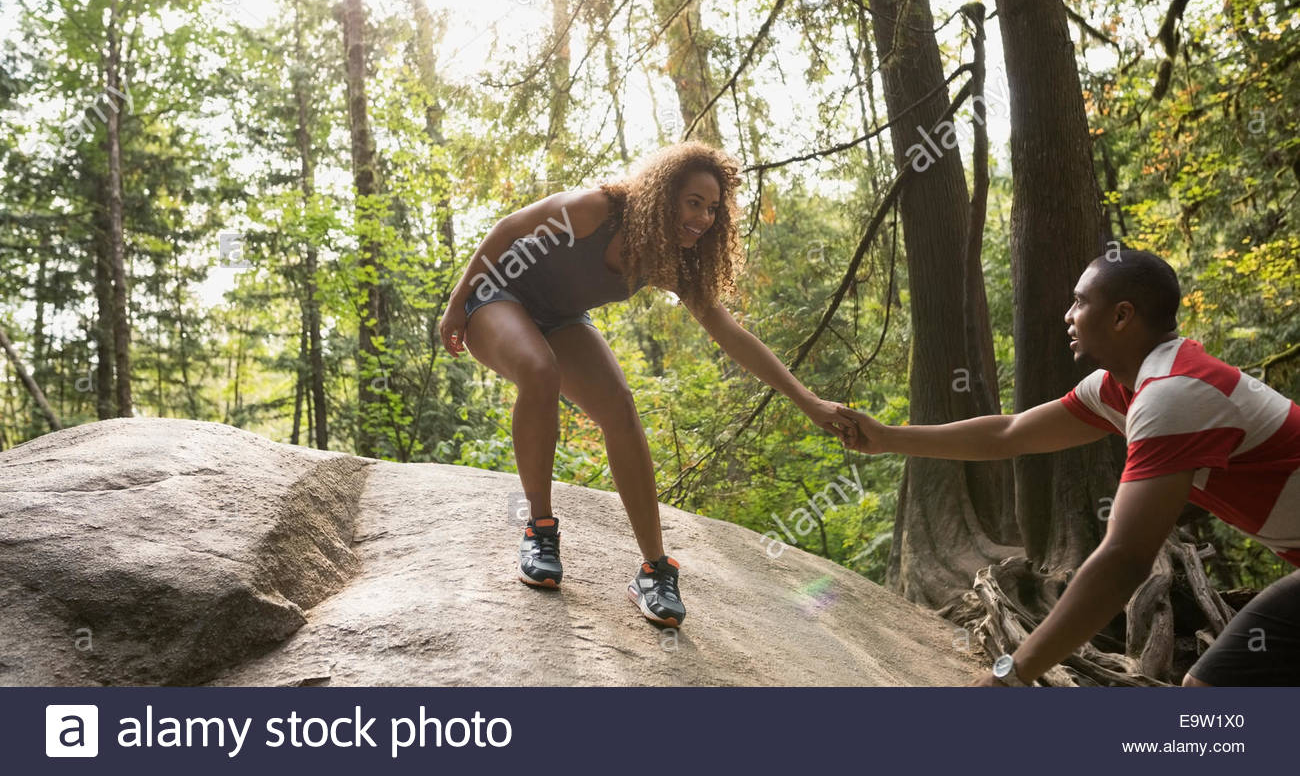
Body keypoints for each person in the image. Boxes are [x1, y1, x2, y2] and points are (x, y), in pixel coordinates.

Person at [438, 141, 858, 628]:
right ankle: (540, 528)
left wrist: (808, 403)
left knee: (620, 408)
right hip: (494, 297)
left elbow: (732, 336)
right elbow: (508, 229)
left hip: (557, 318)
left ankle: (654, 570)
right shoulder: (596, 210)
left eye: (712, 209)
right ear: (664, 195)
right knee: (540, 370)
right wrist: (457, 300)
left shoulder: (671, 263)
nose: (702, 218)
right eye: (693, 202)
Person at [835, 249, 1299, 686]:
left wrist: (1013, 672)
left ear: (1121, 316)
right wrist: (887, 437)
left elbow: (1124, 561)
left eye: (1079, 301)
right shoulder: (1122, 387)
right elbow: (1010, 433)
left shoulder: (1173, 396)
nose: (1068, 315)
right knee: (1208, 687)